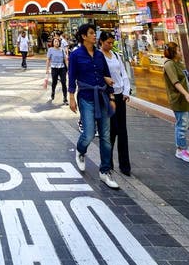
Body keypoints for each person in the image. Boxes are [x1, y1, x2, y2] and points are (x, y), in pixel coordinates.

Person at [68, 23, 118, 189]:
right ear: (83, 36)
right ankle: (81, 150)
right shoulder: (76, 55)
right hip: (86, 97)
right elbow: (72, 76)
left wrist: (111, 96)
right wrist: (71, 97)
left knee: (105, 135)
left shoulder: (99, 55)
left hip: (102, 97)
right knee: (88, 133)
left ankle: (105, 171)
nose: (94, 35)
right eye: (91, 33)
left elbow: (106, 75)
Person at [99, 30, 132, 175]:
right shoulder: (98, 56)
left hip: (120, 96)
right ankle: (108, 162)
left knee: (122, 131)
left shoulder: (117, 55)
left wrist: (126, 91)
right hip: (107, 96)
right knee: (111, 130)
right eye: (108, 43)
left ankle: (125, 166)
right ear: (102, 42)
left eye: (112, 42)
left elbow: (123, 74)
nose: (111, 45)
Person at [45, 36, 68, 103]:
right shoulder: (50, 50)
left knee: (64, 82)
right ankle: (53, 92)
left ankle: (65, 98)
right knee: (54, 82)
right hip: (54, 68)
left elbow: (65, 59)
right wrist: (47, 69)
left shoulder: (62, 50)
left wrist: (68, 68)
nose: (57, 43)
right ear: (53, 43)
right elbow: (48, 60)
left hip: (62, 68)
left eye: (58, 41)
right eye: (55, 41)